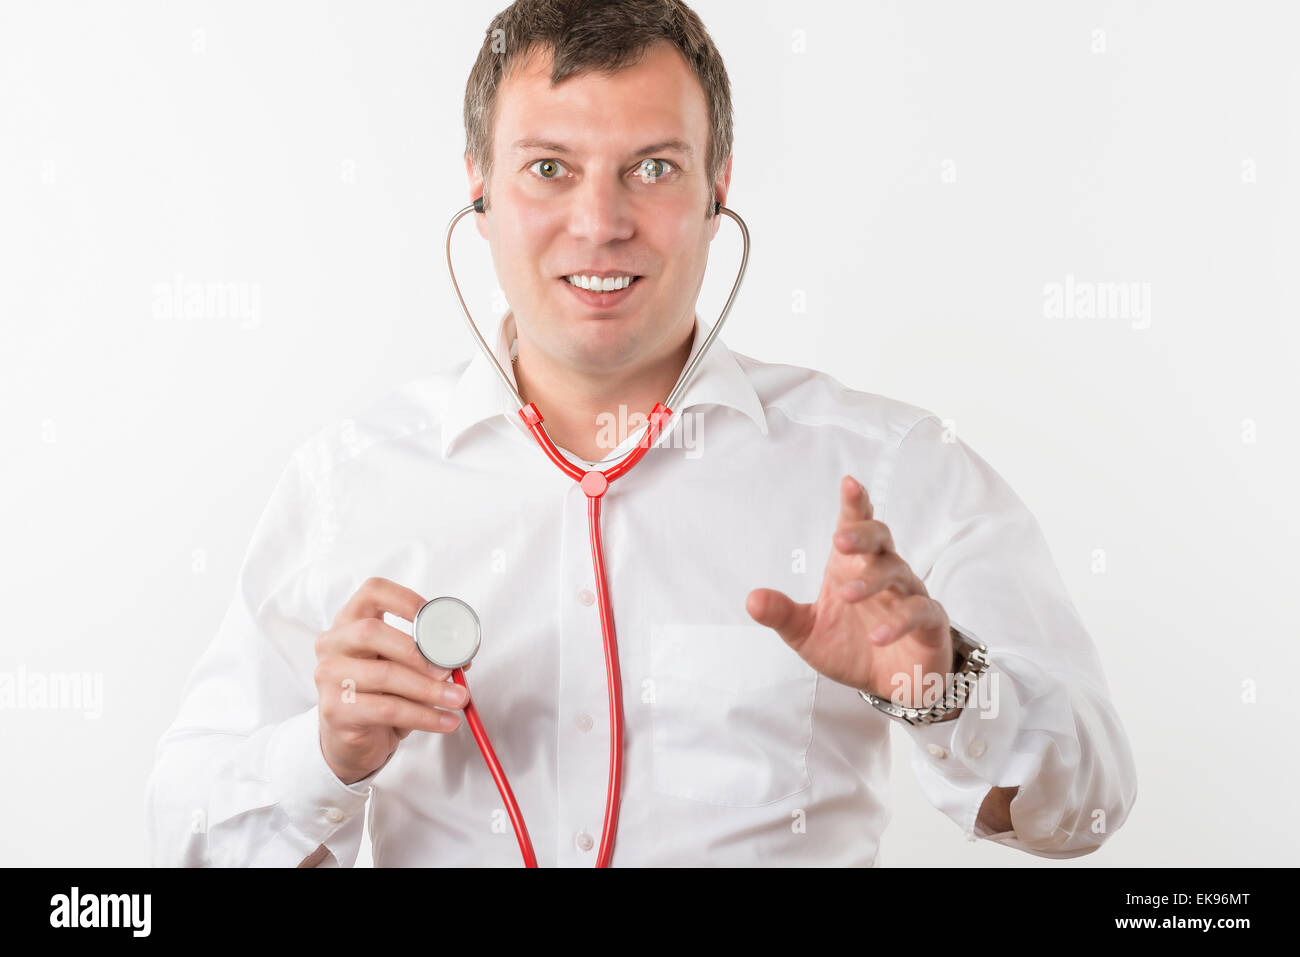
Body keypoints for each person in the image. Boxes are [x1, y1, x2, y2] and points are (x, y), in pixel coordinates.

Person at [145, 0, 1137, 867]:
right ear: (479, 194)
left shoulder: (887, 470)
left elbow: (1088, 805)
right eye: (547, 169)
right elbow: (178, 846)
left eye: (653, 168)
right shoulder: (348, 484)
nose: (599, 221)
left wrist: (945, 687)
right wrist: (325, 753)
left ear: (717, 190)